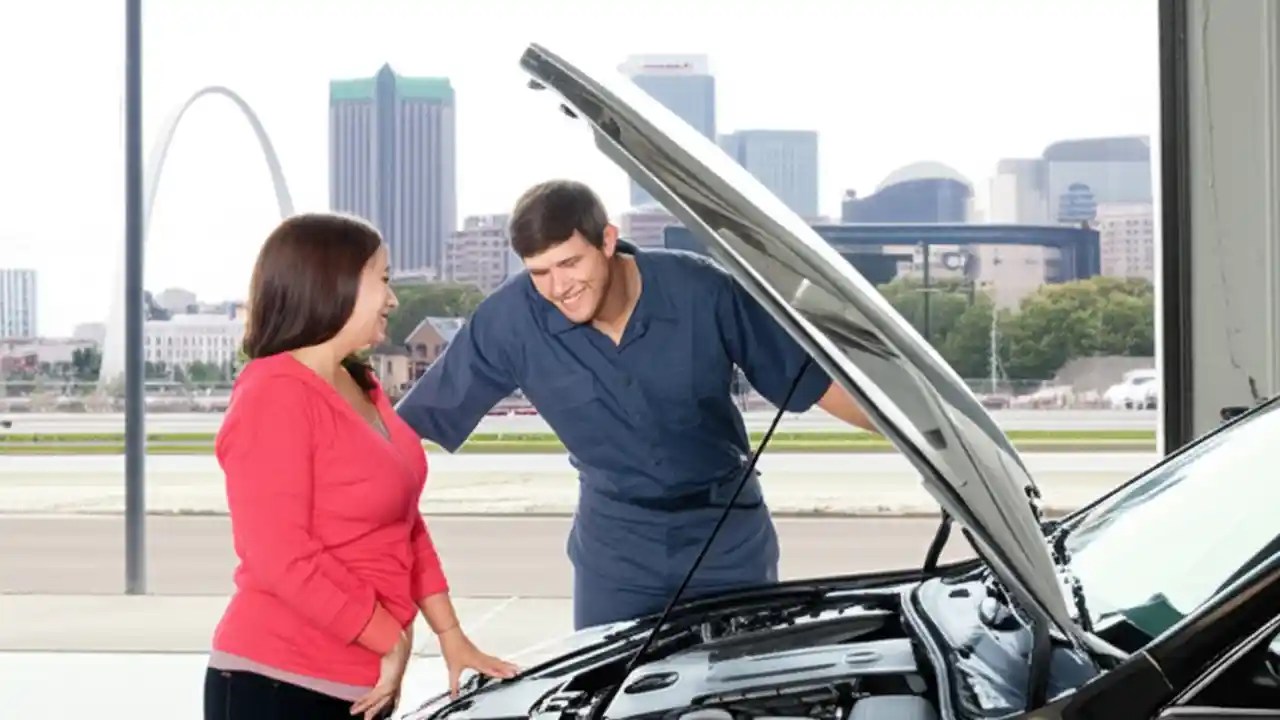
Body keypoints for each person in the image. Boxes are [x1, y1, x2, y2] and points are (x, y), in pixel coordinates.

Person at [396, 180, 877, 631]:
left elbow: (817, 383)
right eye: (539, 272)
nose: (558, 286)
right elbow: (410, 425)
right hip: (616, 549)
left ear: (607, 240)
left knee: (746, 693)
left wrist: (931, 442)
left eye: (570, 263)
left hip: (727, 537)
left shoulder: (703, 290)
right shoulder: (509, 322)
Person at [204, 213, 517, 720]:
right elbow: (278, 554)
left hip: (360, 684)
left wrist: (450, 636)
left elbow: (405, 524)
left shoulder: (362, 384)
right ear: (335, 284)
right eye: (384, 280)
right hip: (280, 680)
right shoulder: (274, 393)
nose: (393, 299)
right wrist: (387, 638)